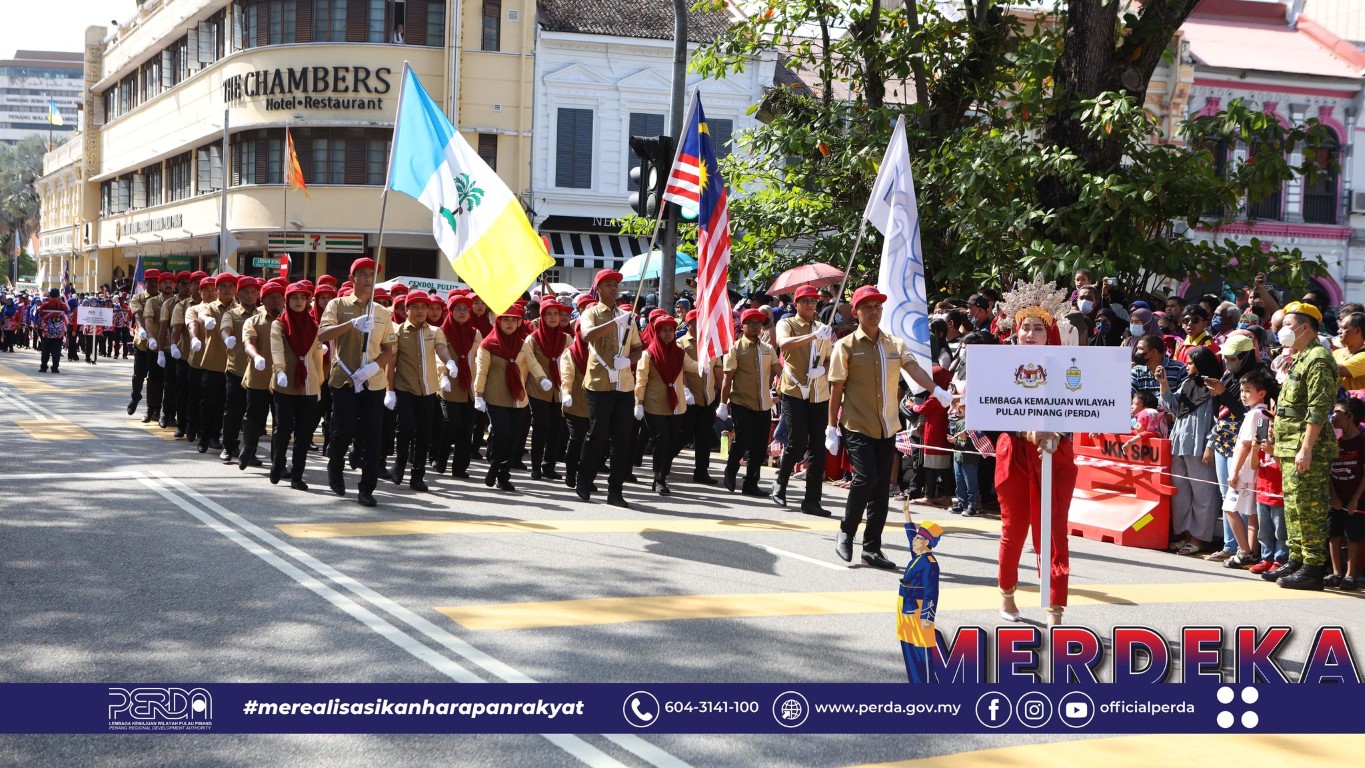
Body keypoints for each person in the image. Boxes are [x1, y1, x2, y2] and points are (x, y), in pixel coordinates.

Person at [827, 285, 952, 571]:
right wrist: (830, 428)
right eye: (867, 307)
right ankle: (846, 530)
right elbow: (836, 389)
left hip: (887, 426)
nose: (874, 312)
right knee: (865, 478)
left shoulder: (894, 344)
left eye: (878, 306)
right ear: (856, 312)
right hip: (857, 424)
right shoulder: (845, 346)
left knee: (882, 489)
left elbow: (915, 370)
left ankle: (872, 548)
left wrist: (937, 389)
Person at [1264, 301, 1338, 589]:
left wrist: (1306, 448)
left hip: (1306, 447)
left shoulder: (1319, 358)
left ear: (1305, 327)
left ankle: (1313, 567)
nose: (1282, 330)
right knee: (1294, 506)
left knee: (1310, 507)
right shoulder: (1301, 356)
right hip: (1288, 444)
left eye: (1287, 325)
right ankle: (1296, 559)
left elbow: (1319, 408)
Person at [318, 258, 397, 507]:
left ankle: (367, 488)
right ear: (352, 278)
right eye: (361, 274)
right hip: (345, 380)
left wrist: (375, 366)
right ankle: (336, 470)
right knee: (343, 431)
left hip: (372, 381)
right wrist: (350, 324)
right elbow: (323, 334)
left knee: (373, 437)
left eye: (370, 275)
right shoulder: (338, 304)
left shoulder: (383, 312)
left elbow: (389, 348)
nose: (367, 279)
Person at [575, 269, 642, 508]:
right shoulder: (590, 313)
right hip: (598, 383)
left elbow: (638, 348)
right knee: (597, 434)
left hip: (623, 384)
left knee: (622, 439)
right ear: (598, 289)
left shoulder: (628, 316)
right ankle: (583, 479)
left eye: (616, 284)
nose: (614, 288)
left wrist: (629, 360)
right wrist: (615, 322)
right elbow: (586, 335)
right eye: (608, 284)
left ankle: (615, 490)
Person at [771, 285, 834, 515]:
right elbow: (784, 344)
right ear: (796, 304)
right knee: (796, 440)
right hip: (794, 388)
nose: (810, 304)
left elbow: (828, 359)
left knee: (818, 446)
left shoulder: (823, 329)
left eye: (813, 300)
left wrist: (823, 369)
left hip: (818, 391)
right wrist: (812, 336)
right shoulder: (786, 323)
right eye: (805, 300)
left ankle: (812, 500)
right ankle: (780, 483)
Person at [473, 304, 549, 492]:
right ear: (498, 322)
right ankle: (495, 467)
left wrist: (542, 378)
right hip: (495, 397)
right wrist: (478, 394)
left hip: (518, 398)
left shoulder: (523, 344)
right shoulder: (488, 345)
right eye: (505, 319)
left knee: (515, 438)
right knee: (503, 433)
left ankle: (503, 474)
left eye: (514, 320)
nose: (510, 323)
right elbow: (481, 372)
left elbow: (533, 363)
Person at [385, 291, 454, 492]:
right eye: (415, 307)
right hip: (405, 388)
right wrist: (390, 391)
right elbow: (391, 362)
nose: (421, 311)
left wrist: (449, 361)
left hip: (428, 390)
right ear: (406, 310)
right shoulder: (397, 331)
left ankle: (418, 474)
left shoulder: (435, 331)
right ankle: (399, 463)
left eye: (424, 307)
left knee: (424, 434)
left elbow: (441, 348)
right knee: (405, 428)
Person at [1160, 346, 1223, 555]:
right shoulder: (1188, 383)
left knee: (1203, 493)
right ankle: (1185, 533)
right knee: (1182, 492)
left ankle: (1200, 537)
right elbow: (1173, 406)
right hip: (1180, 442)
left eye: (1190, 362)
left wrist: (1210, 445)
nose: (1187, 366)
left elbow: (1219, 418)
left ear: (1201, 364)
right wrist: (1163, 384)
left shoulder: (1215, 386)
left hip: (1200, 445)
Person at [270, 281, 326, 490]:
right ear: (287, 300)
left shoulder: (314, 325)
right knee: (284, 428)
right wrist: (279, 369)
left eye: (303, 297)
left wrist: (319, 383)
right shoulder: (279, 324)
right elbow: (276, 348)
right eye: (294, 297)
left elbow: (317, 357)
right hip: (285, 383)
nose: (299, 301)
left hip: (308, 386)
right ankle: (278, 463)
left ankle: (297, 475)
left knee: (303, 433)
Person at [718, 309, 778, 496]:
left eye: (759, 323)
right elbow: (728, 378)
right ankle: (731, 470)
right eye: (751, 323)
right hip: (741, 401)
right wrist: (722, 403)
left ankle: (750, 482)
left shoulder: (768, 349)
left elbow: (778, 369)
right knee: (743, 439)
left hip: (763, 403)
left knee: (759, 445)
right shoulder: (735, 348)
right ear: (742, 326)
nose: (755, 327)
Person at [633, 313, 694, 496]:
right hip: (654, 405)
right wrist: (639, 402)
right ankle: (659, 479)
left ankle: (662, 475)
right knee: (661, 440)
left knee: (670, 442)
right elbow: (641, 380)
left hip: (676, 406)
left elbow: (692, 366)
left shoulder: (680, 353)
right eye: (663, 330)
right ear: (657, 332)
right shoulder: (648, 354)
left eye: (670, 330)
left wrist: (706, 364)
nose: (667, 334)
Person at [434, 292, 482, 479]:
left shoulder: (475, 333)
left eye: (465, 309)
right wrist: (442, 374)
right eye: (458, 308)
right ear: (450, 311)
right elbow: (438, 354)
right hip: (449, 385)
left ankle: (460, 467)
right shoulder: (442, 332)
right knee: (451, 425)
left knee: (467, 428)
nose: (462, 312)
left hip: (469, 386)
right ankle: (441, 457)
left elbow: (479, 358)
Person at [188, 273, 237, 455]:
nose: (226, 290)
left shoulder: (238, 309)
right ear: (217, 290)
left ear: (235, 289)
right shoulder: (209, 307)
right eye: (222, 286)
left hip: (232, 364)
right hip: (212, 362)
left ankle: (216, 436)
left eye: (230, 286)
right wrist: (207, 321)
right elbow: (202, 315)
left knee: (226, 405)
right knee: (208, 403)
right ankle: (204, 436)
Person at [239, 279, 283, 470]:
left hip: (283, 380)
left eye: (279, 297)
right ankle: (248, 448)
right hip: (259, 377)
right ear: (262, 300)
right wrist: (256, 357)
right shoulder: (253, 320)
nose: (276, 301)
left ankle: (278, 463)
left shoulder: (288, 321)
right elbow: (249, 342)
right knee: (254, 419)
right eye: (271, 297)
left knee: (281, 423)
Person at [525, 298, 570, 481]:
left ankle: (548, 466)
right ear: (542, 316)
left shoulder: (566, 338)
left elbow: (570, 362)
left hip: (558, 390)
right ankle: (536, 466)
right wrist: (541, 379)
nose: (553, 317)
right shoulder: (532, 339)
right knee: (541, 426)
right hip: (537, 388)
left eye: (556, 314)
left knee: (556, 429)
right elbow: (529, 362)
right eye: (549, 314)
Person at [897, 516, 945, 684]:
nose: (914, 540)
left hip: (918, 614)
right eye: (916, 537)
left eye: (918, 538)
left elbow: (932, 592)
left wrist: (927, 617)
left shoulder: (930, 563)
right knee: (909, 651)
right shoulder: (918, 557)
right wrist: (907, 516)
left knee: (921, 653)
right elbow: (910, 537)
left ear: (926, 542)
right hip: (906, 612)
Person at [679, 308, 723, 485]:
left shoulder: (711, 344)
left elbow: (718, 370)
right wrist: (685, 390)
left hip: (708, 398)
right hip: (689, 398)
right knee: (682, 435)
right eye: (696, 323)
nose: (700, 326)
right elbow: (679, 369)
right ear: (688, 324)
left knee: (704, 437)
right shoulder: (681, 343)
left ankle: (701, 471)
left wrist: (724, 397)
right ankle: (663, 466)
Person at [219, 276, 259, 462]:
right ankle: (228, 447)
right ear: (238, 293)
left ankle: (250, 452)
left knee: (254, 415)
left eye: (253, 291)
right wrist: (228, 338)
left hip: (259, 374)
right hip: (237, 370)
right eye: (245, 291)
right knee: (233, 412)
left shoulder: (264, 314)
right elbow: (224, 328)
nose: (250, 295)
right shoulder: (232, 314)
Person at [1327, 397, 1365, 590]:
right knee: (1333, 533)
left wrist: (1355, 500)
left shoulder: (1362, 441)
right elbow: (1329, 473)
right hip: (1335, 499)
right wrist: (1333, 497)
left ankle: (1350, 575)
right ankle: (1336, 572)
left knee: (1353, 536)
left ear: (1350, 416)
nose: (1332, 417)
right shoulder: (1335, 442)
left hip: (1355, 499)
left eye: (1337, 413)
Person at [1333, 312, 1365, 391]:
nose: (1338, 331)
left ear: (1357, 330)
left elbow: (1337, 369)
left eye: (1343, 328)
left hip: (1356, 402)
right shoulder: (1336, 353)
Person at [37, 289, 67, 373]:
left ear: (49, 295)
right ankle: (55, 367)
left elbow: (40, 314)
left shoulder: (44, 305)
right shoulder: (63, 306)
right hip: (59, 332)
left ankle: (43, 367)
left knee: (45, 350)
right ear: (58, 296)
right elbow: (67, 312)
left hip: (47, 332)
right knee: (56, 351)